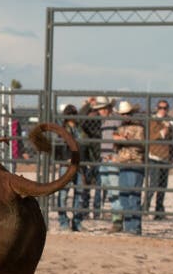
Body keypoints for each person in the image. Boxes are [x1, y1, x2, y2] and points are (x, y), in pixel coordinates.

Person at [55, 105, 89, 231]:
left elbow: (85, 144)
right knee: (63, 194)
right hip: (67, 164)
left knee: (79, 193)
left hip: (79, 164)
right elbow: (59, 147)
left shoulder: (80, 130)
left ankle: (77, 221)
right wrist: (66, 158)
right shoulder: (62, 130)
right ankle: (63, 221)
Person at [113, 101, 145, 236]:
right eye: (123, 114)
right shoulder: (120, 128)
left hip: (135, 162)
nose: (125, 116)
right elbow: (116, 144)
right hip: (123, 163)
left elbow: (140, 145)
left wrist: (124, 139)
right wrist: (119, 140)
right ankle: (128, 225)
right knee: (124, 196)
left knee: (134, 196)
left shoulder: (139, 128)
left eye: (127, 114)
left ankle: (135, 227)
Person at [95, 96, 123, 231]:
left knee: (114, 189)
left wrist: (115, 154)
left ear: (107, 108)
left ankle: (117, 219)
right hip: (104, 158)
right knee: (108, 187)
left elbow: (121, 136)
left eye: (101, 108)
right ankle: (116, 215)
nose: (100, 111)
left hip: (112, 158)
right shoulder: (103, 121)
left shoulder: (116, 119)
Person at [145, 100, 173, 219]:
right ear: (157, 108)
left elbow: (170, 141)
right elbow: (152, 136)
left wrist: (172, 155)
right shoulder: (153, 121)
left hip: (165, 157)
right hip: (155, 156)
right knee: (153, 184)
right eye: (160, 108)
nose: (163, 110)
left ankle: (159, 210)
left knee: (163, 186)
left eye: (165, 108)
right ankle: (145, 207)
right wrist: (163, 131)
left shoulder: (169, 122)